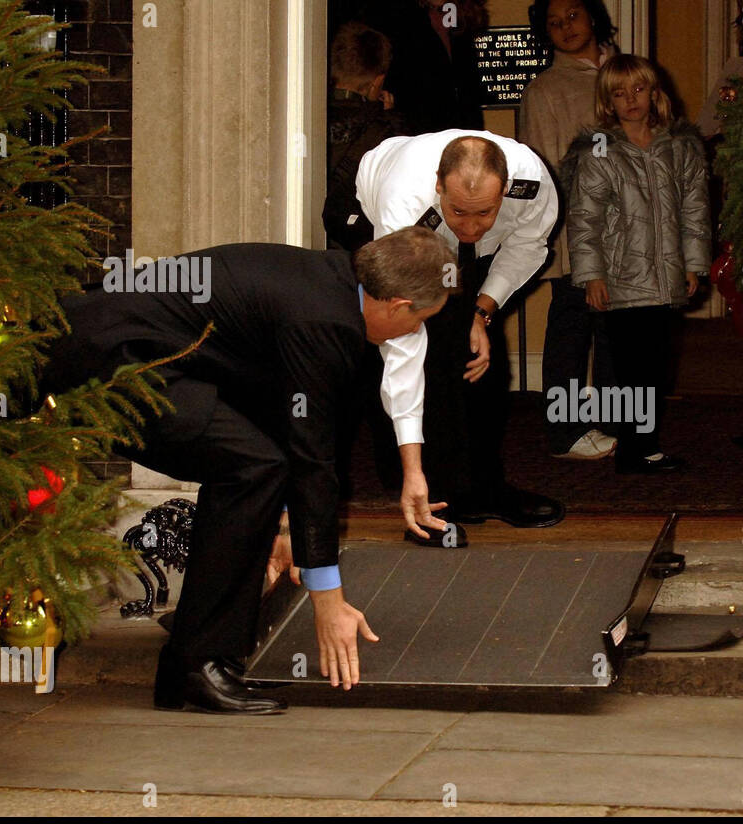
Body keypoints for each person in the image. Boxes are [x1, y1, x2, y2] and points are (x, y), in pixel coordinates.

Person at [41, 229, 457, 712]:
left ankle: (202, 661)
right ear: (397, 304)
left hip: (129, 350)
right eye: (420, 321)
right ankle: (196, 666)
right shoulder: (327, 320)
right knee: (251, 468)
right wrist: (327, 599)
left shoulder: (330, 280)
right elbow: (313, 459)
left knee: (255, 466)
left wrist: (280, 525)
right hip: (105, 359)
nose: (414, 333)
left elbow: (277, 416)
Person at [356, 131, 564, 535]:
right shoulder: (403, 200)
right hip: (403, 237)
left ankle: (485, 487)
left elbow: (527, 246)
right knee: (431, 359)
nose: (471, 226)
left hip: (478, 259)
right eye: (459, 212)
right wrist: (412, 465)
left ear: (504, 190)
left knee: (483, 360)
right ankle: (426, 493)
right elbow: (402, 350)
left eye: (485, 212)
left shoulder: (533, 184)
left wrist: (480, 313)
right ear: (438, 187)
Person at [563, 54, 712, 474]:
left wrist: (693, 264)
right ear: (608, 101)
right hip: (622, 279)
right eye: (619, 93)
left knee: (656, 367)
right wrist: (590, 274)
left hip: (664, 279)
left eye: (638, 89)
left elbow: (695, 210)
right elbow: (584, 218)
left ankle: (644, 446)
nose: (630, 100)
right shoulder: (600, 152)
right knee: (628, 370)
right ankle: (634, 449)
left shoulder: (678, 147)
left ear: (654, 92)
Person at [522, 0, 620, 461]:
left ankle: (608, 419)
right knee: (571, 327)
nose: (564, 28)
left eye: (572, 16)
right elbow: (545, 168)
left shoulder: (624, 72)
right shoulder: (546, 89)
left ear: (593, 16)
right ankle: (564, 433)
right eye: (554, 23)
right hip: (580, 229)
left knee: (614, 329)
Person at [323, 21, 410, 252]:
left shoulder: (307, 114)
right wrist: (391, 117)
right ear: (377, 82)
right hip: (357, 246)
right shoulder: (385, 129)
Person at [358, 0, 489, 134]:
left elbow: (467, 82)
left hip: (462, 131)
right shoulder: (390, 14)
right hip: (412, 129)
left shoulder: (462, 13)